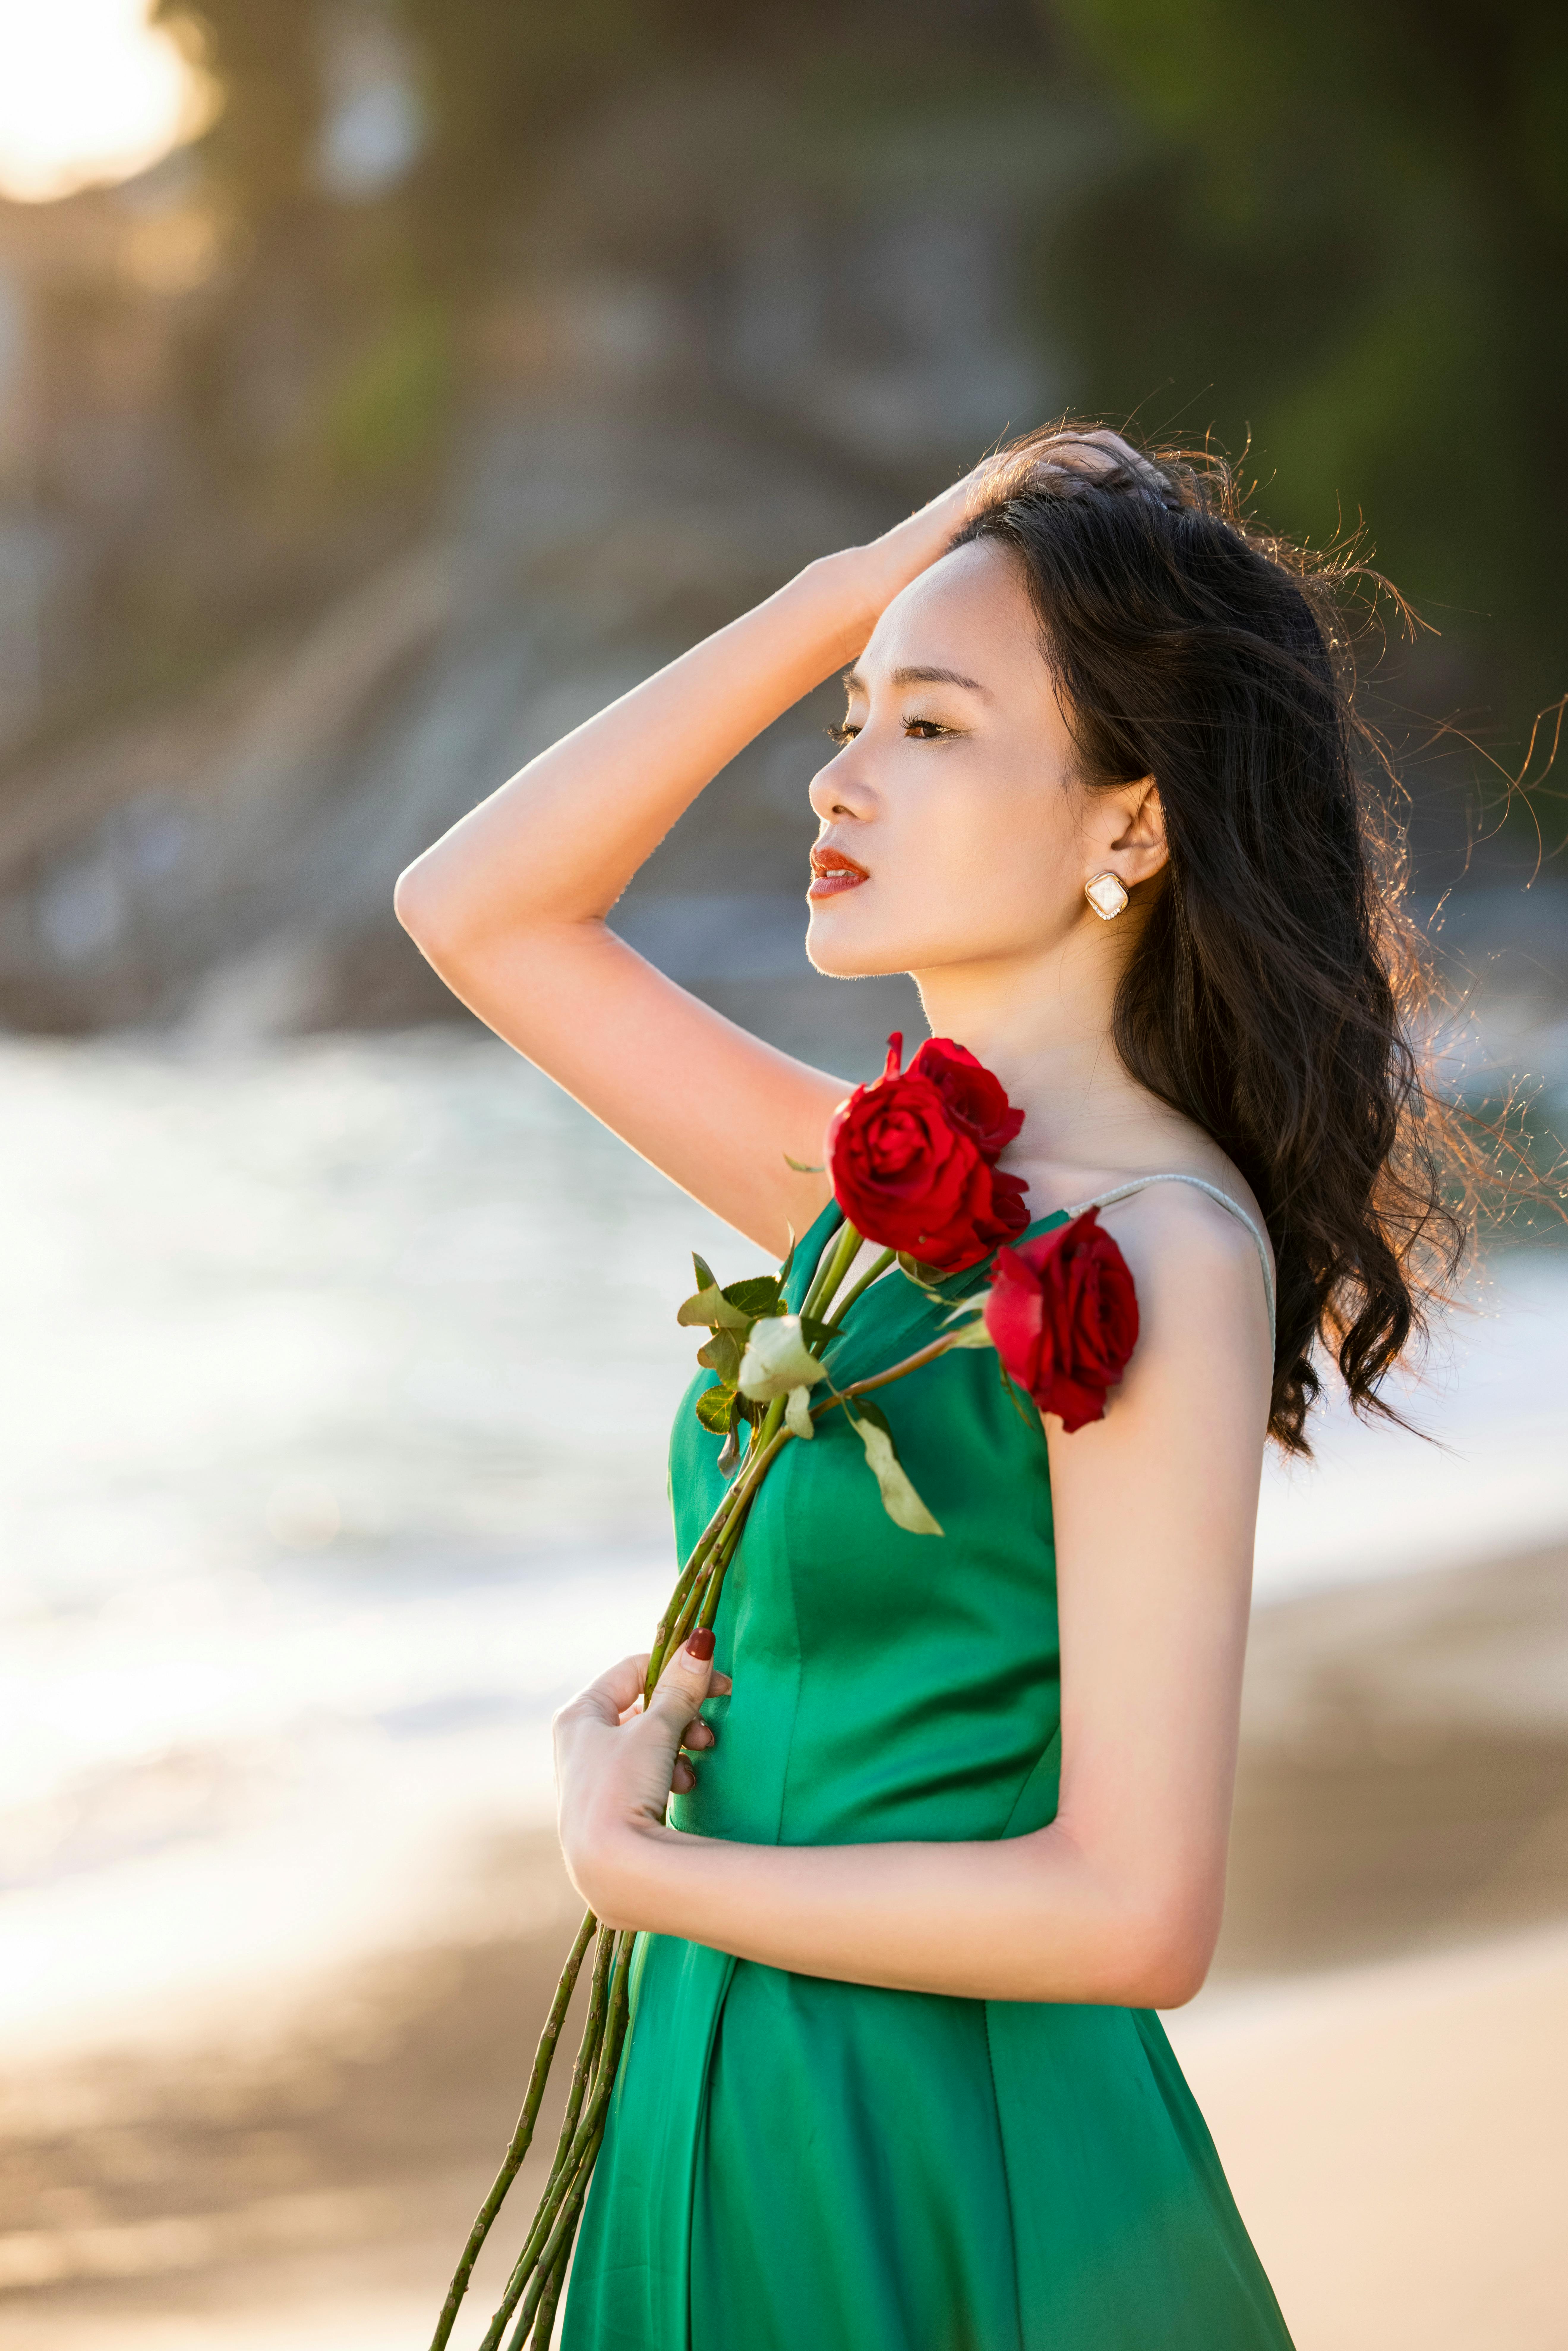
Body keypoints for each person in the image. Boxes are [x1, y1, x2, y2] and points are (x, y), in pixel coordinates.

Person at [395, 425, 1466, 2349]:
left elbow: (1138, 1913)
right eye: (850, 717)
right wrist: (843, 593)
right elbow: (475, 910)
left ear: (1127, 824)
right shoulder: (885, 1194)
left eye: (934, 729)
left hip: (937, 2152)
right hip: (729, 2108)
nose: (840, 774)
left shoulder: (1153, 1253)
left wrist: (640, 1873)